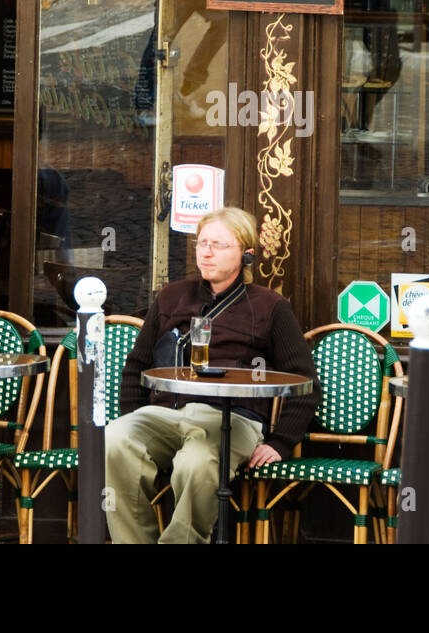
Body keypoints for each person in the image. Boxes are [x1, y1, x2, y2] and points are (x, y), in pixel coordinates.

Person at [105, 207, 319, 543]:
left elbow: (305, 381)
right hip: (164, 413)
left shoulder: (270, 306)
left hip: (232, 418)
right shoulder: (171, 296)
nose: (206, 252)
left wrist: (281, 442)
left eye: (219, 244)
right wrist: (136, 421)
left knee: (196, 462)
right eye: (202, 243)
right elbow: (136, 366)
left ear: (246, 255)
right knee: (115, 437)